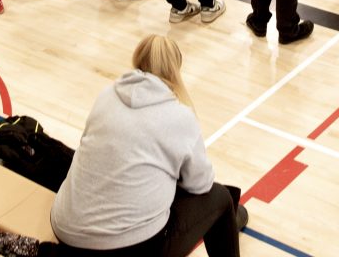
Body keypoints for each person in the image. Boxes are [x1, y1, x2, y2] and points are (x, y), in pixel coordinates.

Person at [51, 34, 248, 257]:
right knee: (220, 198)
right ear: (176, 70)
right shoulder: (180, 116)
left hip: (65, 230)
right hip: (126, 248)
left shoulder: (106, 95)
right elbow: (201, 184)